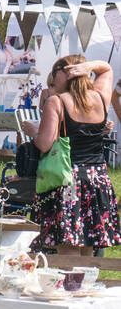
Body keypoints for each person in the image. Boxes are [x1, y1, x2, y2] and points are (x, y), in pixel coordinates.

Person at [31, 56, 120, 254]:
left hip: (68, 179)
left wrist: (33, 132)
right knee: (88, 242)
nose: (53, 80)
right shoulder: (99, 98)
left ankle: (69, 285)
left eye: (55, 73)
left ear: (68, 72)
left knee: (68, 245)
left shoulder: (57, 101)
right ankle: (84, 284)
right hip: (97, 178)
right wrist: (88, 67)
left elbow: (45, 144)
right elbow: (106, 70)